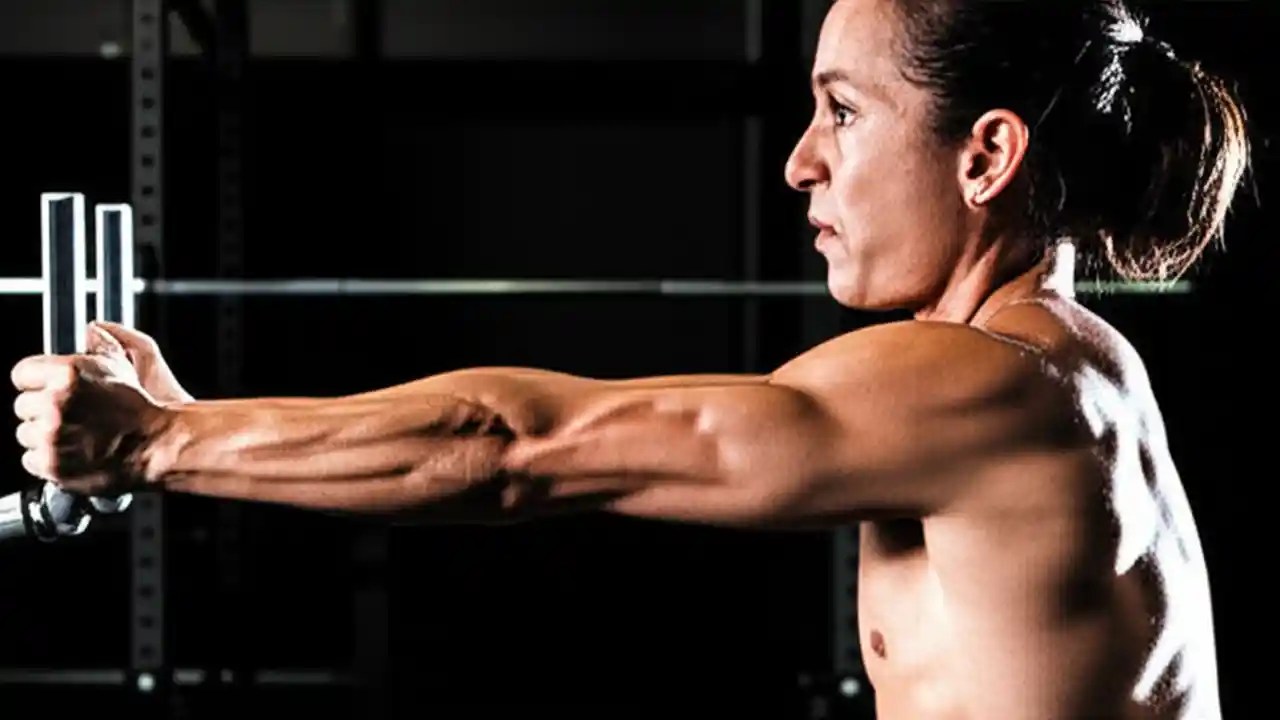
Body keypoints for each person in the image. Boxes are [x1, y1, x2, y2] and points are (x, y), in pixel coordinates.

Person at [10, 0, 1247, 717]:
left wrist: (159, 439)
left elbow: (514, 450)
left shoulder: (998, 387)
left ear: (984, 158)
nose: (799, 162)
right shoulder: (1053, 369)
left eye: (844, 111)